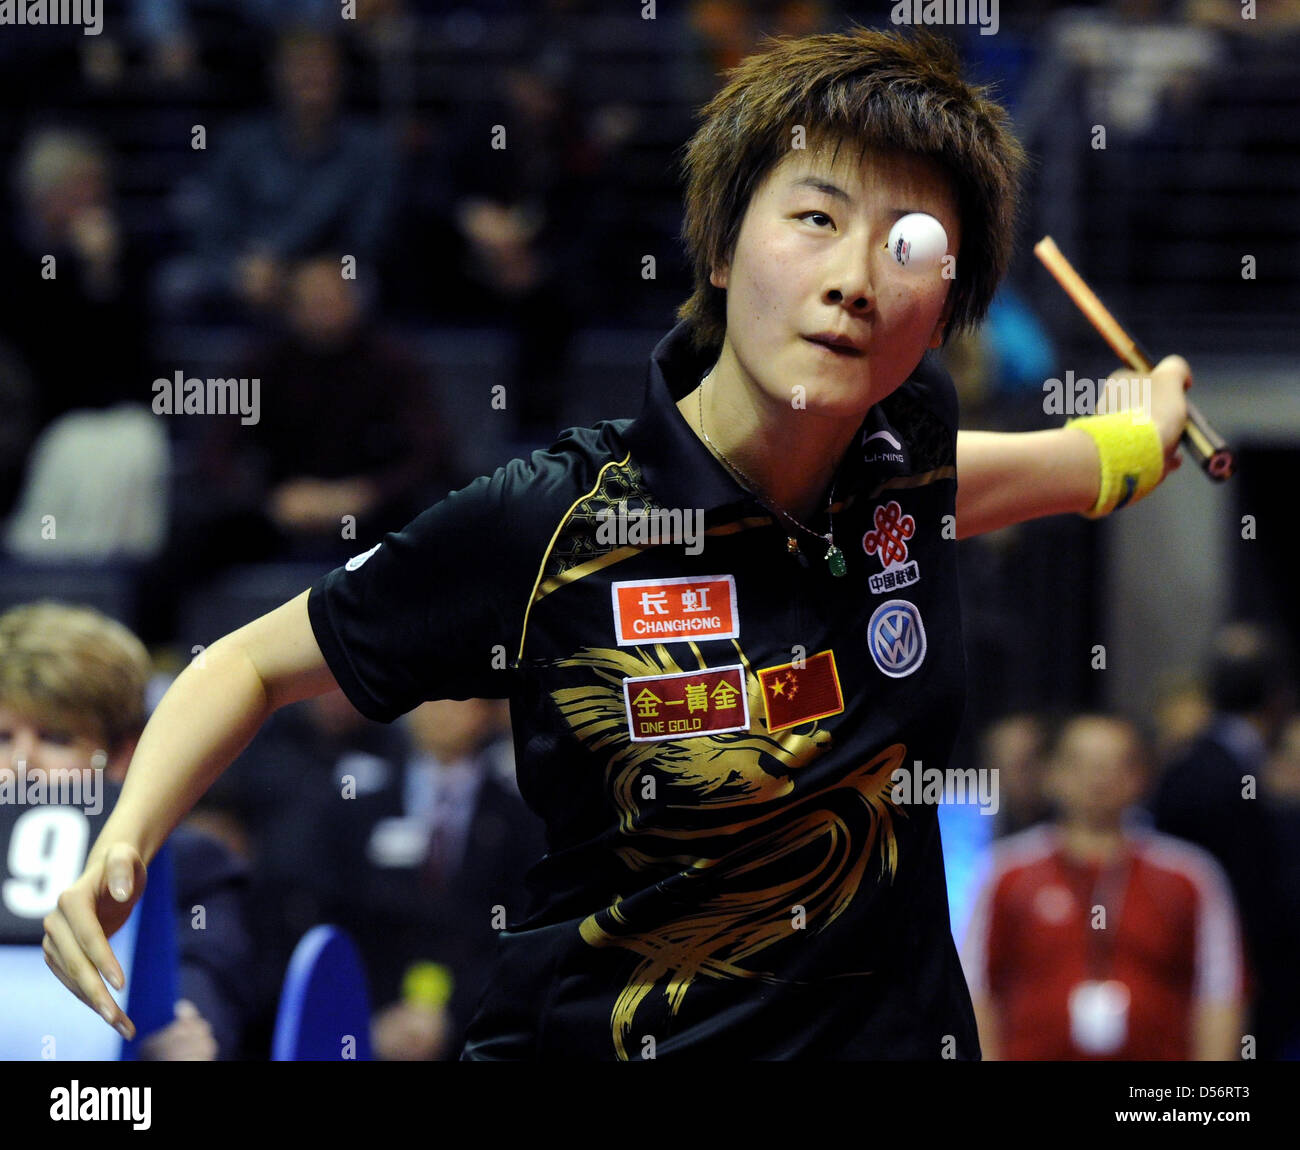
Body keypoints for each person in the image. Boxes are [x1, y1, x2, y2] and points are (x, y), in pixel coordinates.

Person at [42, 27, 1193, 1061]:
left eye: (905, 244)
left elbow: (1045, 469)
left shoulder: (912, 453)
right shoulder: (554, 520)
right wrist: (120, 845)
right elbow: (247, 662)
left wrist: (1140, 435)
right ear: (721, 250)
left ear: (940, 313)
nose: (854, 278)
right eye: (815, 217)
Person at [0, 602, 255, 1060]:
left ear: (125, 757)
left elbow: (200, 986)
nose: (21, 764)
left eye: (56, 738)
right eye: (1, 738)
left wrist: (181, 1029)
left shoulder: (190, 863)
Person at [962, 714, 1244, 1060]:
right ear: (1052, 774)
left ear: (1142, 776)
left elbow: (1220, 992)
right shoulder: (1005, 872)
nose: (1098, 779)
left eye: (1114, 765)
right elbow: (976, 989)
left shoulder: (1189, 875)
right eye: (1082, 765)